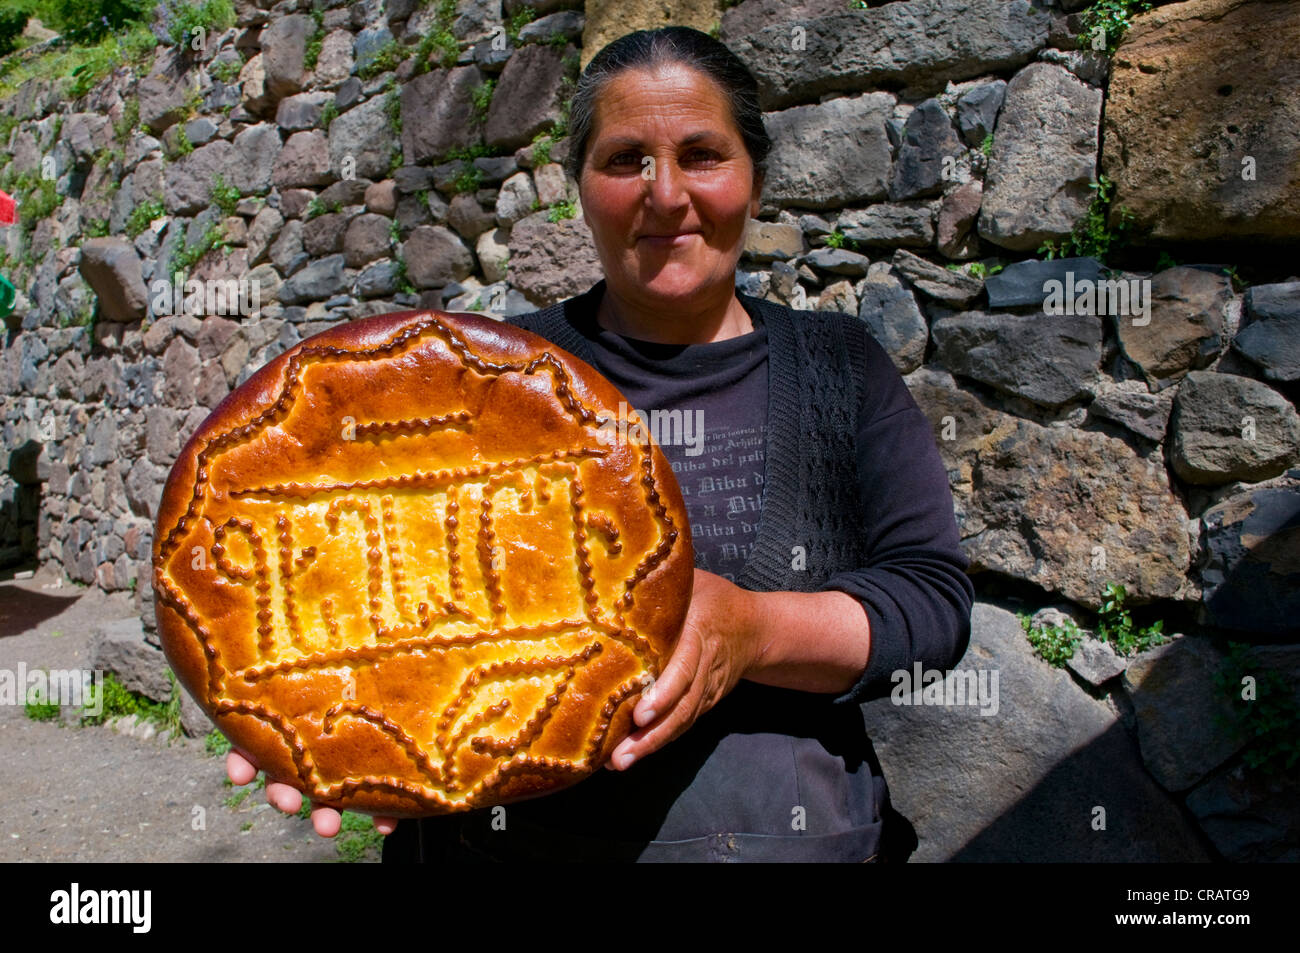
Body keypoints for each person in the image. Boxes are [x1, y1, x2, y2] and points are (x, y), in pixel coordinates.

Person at [228, 25, 974, 863]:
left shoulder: (838, 369)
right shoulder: (492, 383)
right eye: (625, 160)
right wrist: (315, 712)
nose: (665, 193)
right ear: (579, 186)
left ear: (754, 180)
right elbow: (376, 579)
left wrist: (754, 632)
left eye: (702, 154)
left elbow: (932, 606)